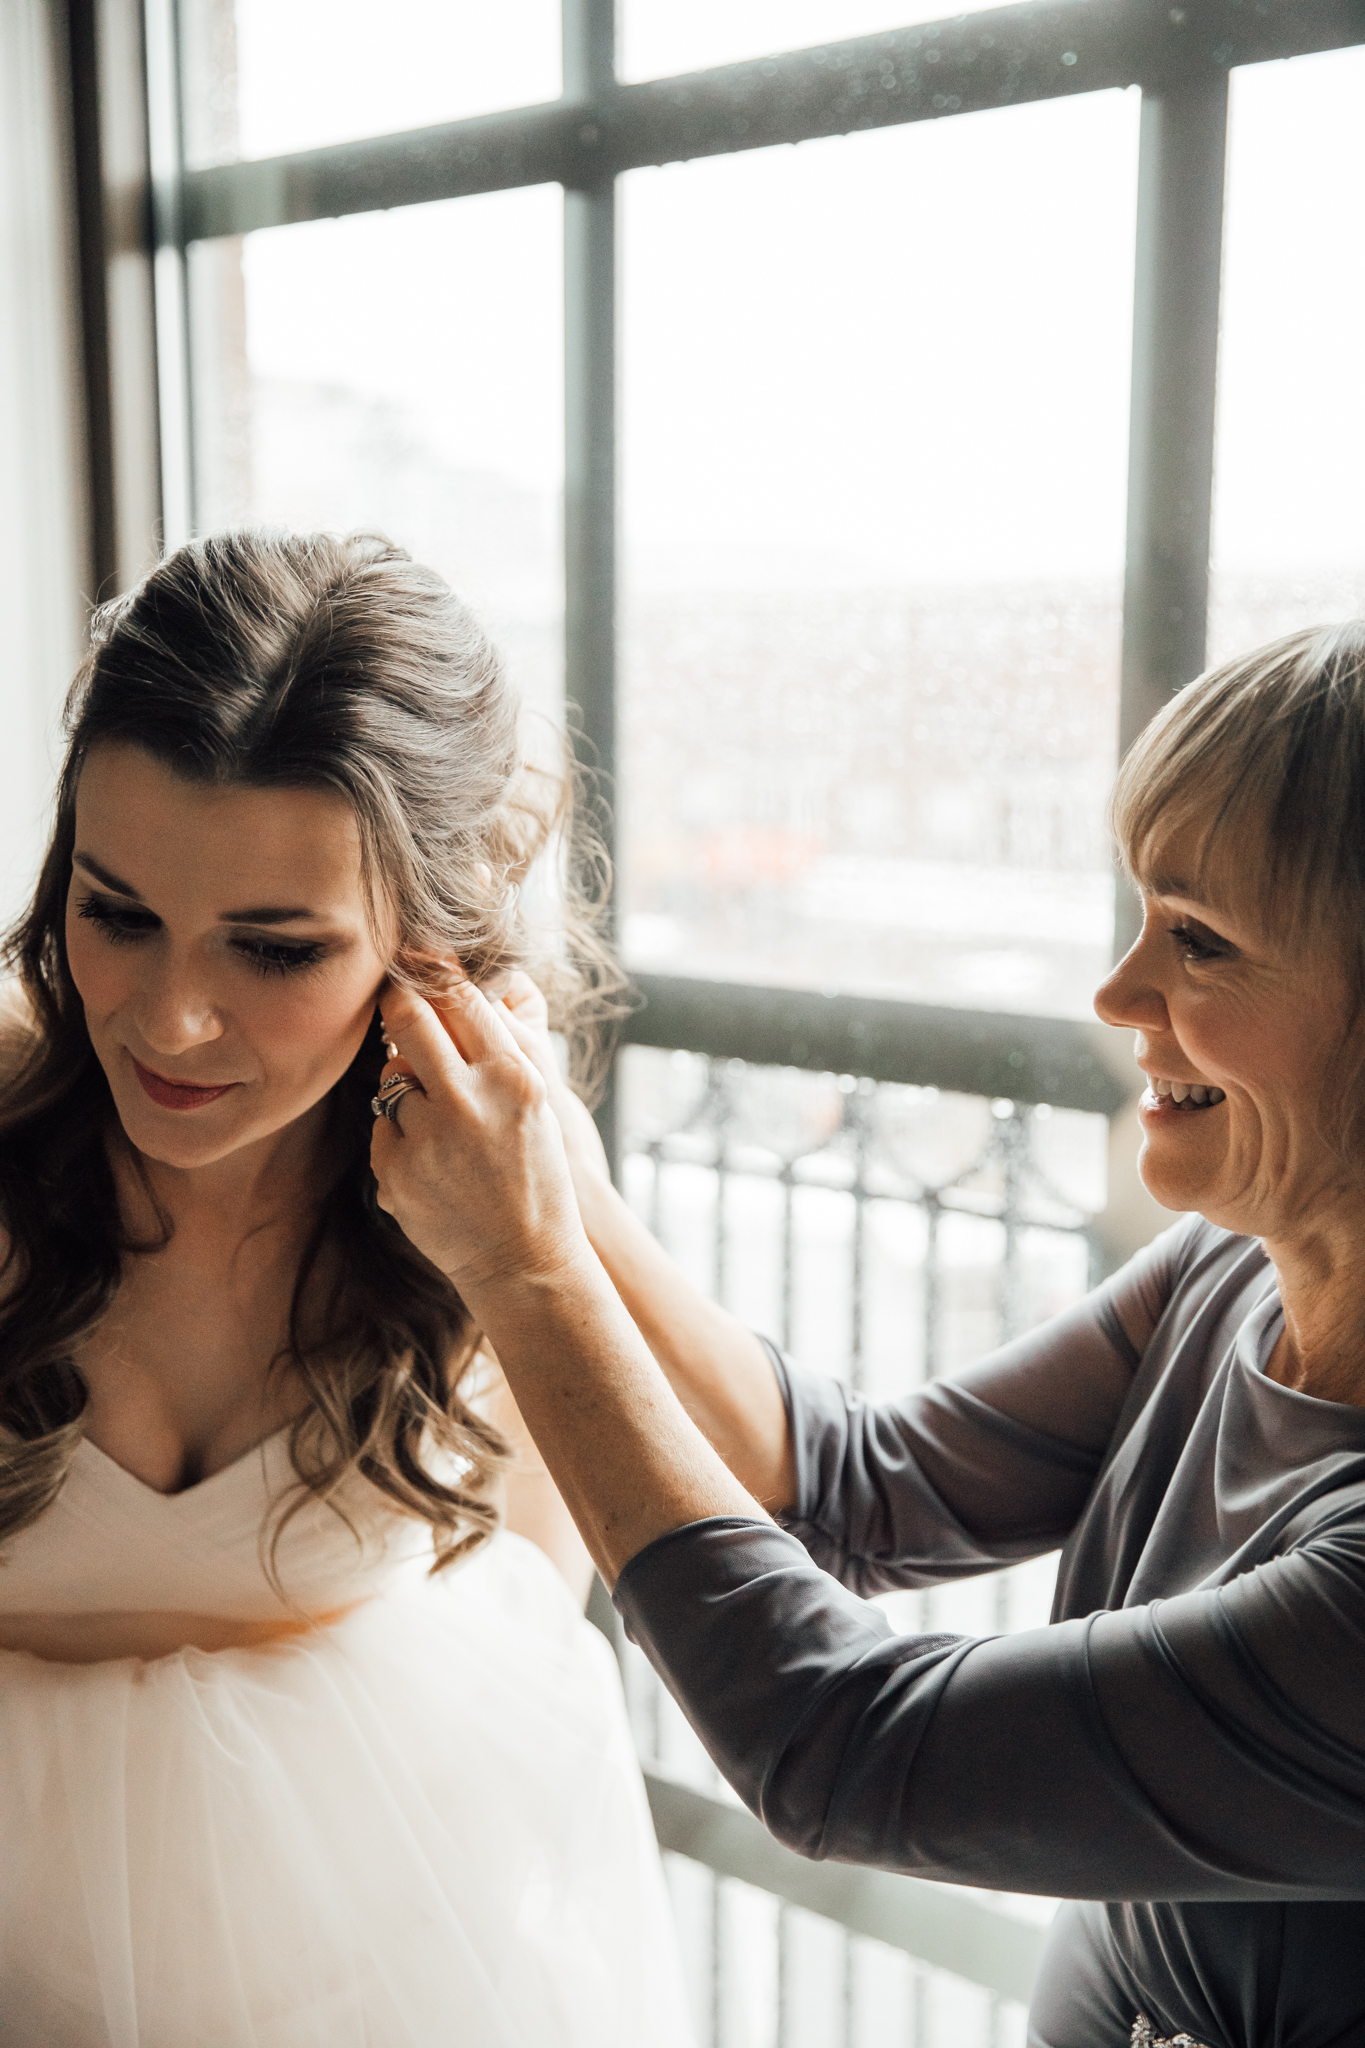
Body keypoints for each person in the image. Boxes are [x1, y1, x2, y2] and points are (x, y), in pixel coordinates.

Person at [369, 619, 1365, 2048]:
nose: (1115, 995)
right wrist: (570, 1190)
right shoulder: (1227, 1273)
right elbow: (856, 1488)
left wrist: (526, 1273)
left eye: (1198, 942)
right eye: (1141, 914)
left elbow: (841, 1742)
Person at [0, 529, 692, 2048]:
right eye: (118, 914)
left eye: (274, 950)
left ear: (424, 941)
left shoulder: (496, 1193)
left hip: (360, 1967)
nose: (171, 1021)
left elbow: (542, 1601)